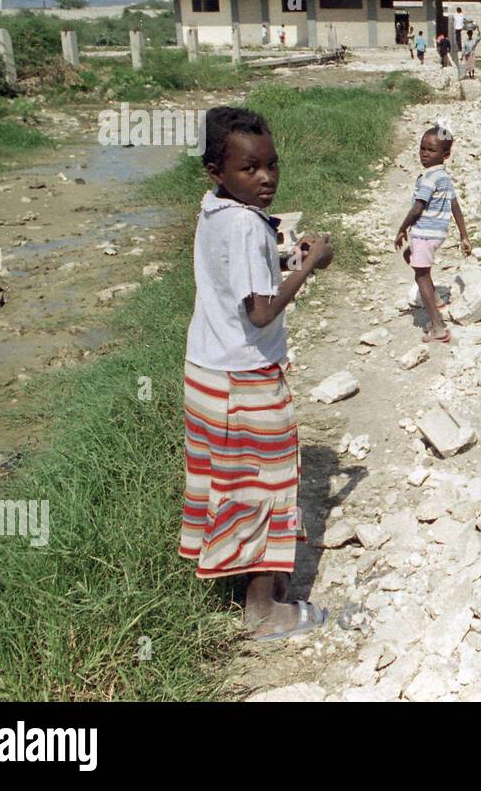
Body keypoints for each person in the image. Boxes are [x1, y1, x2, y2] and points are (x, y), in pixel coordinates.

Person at [179, 106, 334, 641]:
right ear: (217, 172)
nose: (266, 178)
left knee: (230, 482)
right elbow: (262, 311)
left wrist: (290, 258)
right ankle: (264, 611)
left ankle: (242, 584)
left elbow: (243, 283)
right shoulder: (246, 225)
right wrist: (309, 267)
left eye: (271, 165)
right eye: (250, 169)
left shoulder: (215, 209)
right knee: (268, 486)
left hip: (207, 370)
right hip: (244, 377)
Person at [394, 125, 473, 344]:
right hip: (436, 234)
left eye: (431, 150)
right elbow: (455, 205)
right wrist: (463, 235)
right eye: (422, 148)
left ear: (445, 155)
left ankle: (438, 327)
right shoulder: (443, 177)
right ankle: (436, 299)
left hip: (424, 232)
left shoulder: (429, 178)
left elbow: (418, 208)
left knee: (420, 275)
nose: (425, 154)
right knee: (412, 257)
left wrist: (402, 229)